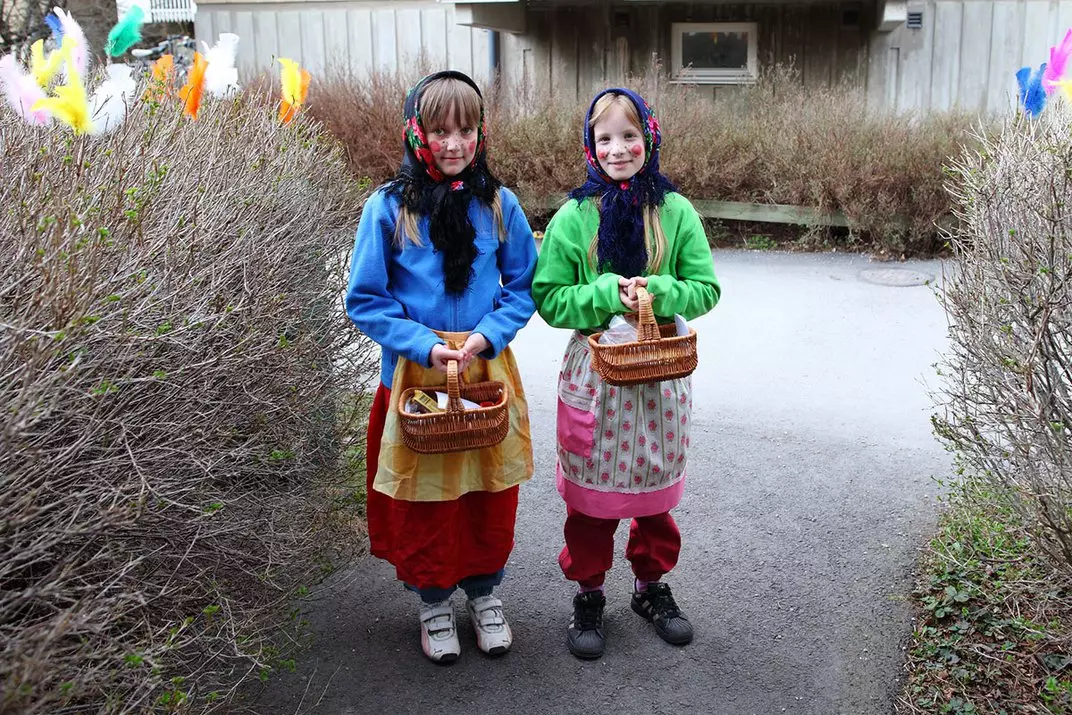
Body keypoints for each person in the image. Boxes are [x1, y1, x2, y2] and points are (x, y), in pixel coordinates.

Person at [346, 70, 538, 664]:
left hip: (482, 373)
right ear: (416, 133)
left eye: (466, 130)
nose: (453, 144)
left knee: (487, 492)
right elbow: (366, 297)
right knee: (424, 500)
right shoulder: (386, 209)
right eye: (439, 131)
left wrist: (487, 336)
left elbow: (525, 285)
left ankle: (484, 594)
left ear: (480, 133)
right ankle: (432, 601)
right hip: (415, 377)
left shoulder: (499, 205)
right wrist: (423, 344)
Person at [531, 87, 721, 659]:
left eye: (630, 136)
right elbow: (550, 298)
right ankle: (589, 591)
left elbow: (706, 287)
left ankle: (649, 585)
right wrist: (601, 293)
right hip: (596, 377)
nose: (619, 149)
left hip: (658, 376)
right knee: (591, 503)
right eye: (605, 138)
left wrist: (659, 291)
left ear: (650, 139)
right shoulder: (573, 217)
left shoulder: (676, 211)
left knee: (654, 499)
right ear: (591, 146)